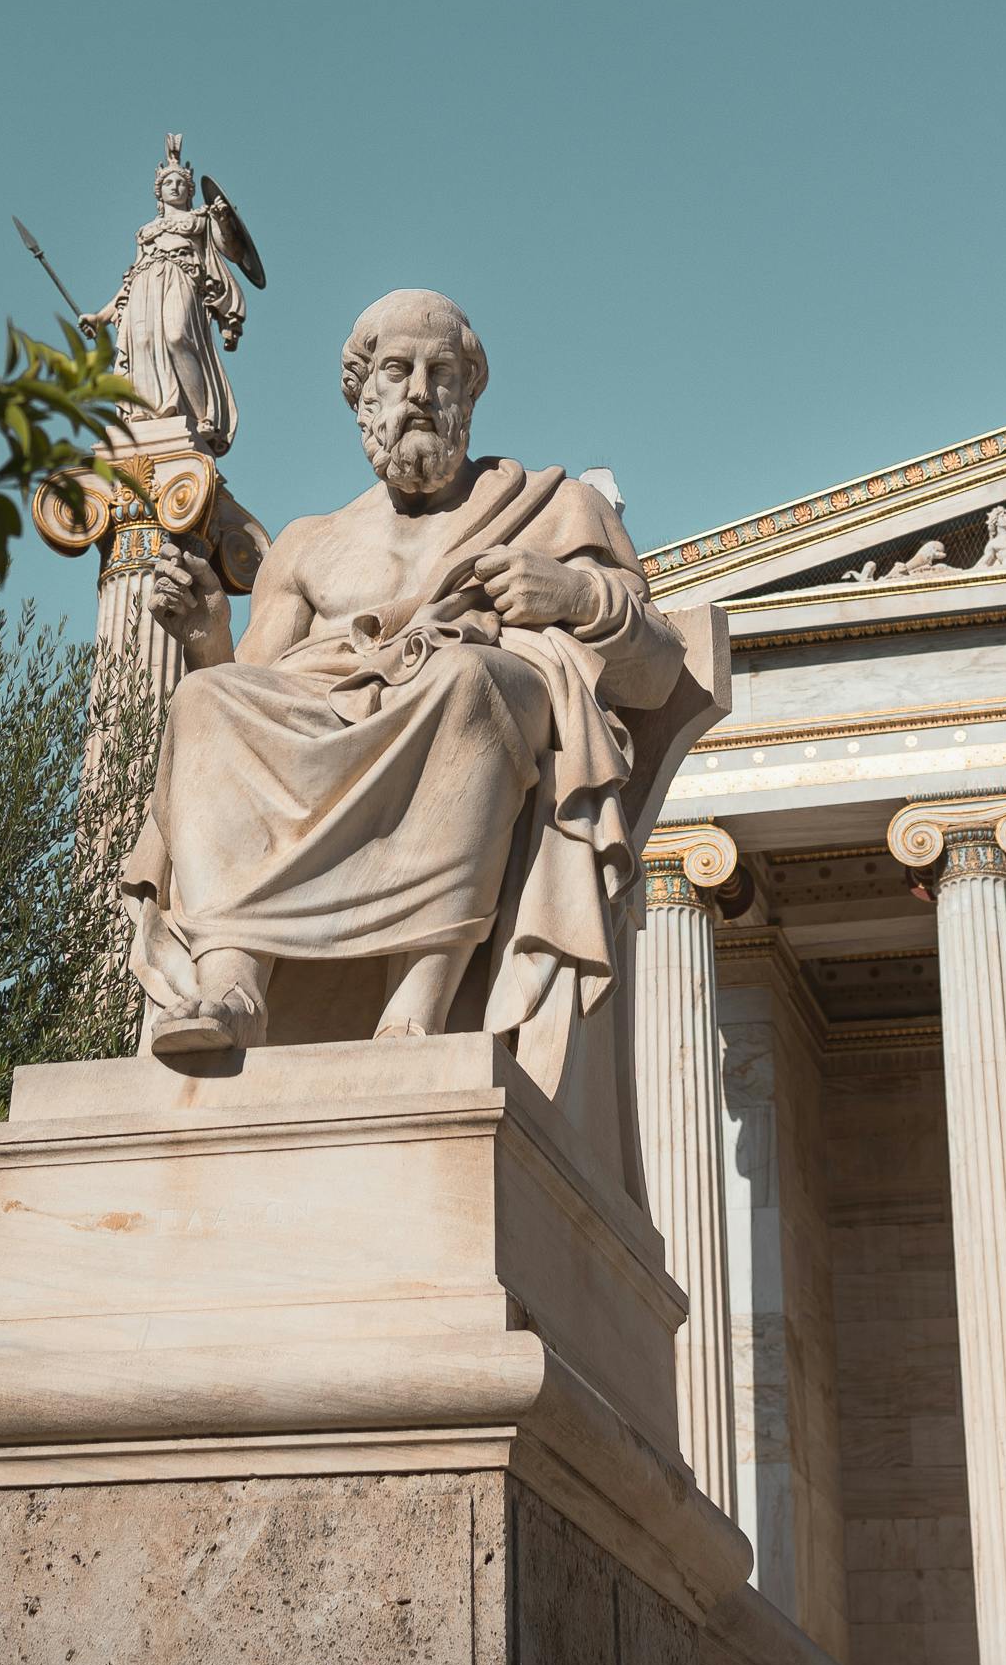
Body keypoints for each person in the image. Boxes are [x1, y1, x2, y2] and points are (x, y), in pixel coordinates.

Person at [128, 290, 698, 1084]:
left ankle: (415, 1007)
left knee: (467, 680)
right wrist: (204, 637)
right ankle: (232, 984)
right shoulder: (308, 546)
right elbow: (249, 690)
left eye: (443, 373)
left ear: (470, 393)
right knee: (201, 702)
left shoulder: (552, 508)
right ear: (364, 397)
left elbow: (661, 666)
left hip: (457, 709)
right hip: (327, 724)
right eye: (397, 371)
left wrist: (572, 597)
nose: (421, 392)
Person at [79, 136, 258, 454]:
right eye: (168, 182)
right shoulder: (146, 230)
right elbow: (131, 278)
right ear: (159, 192)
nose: (174, 187)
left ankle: (201, 417)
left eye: (180, 183)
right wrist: (100, 316)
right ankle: (145, 413)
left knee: (177, 337)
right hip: (146, 286)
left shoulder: (200, 220)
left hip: (182, 278)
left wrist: (223, 219)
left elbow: (232, 250)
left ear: (189, 191)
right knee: (144, 344)